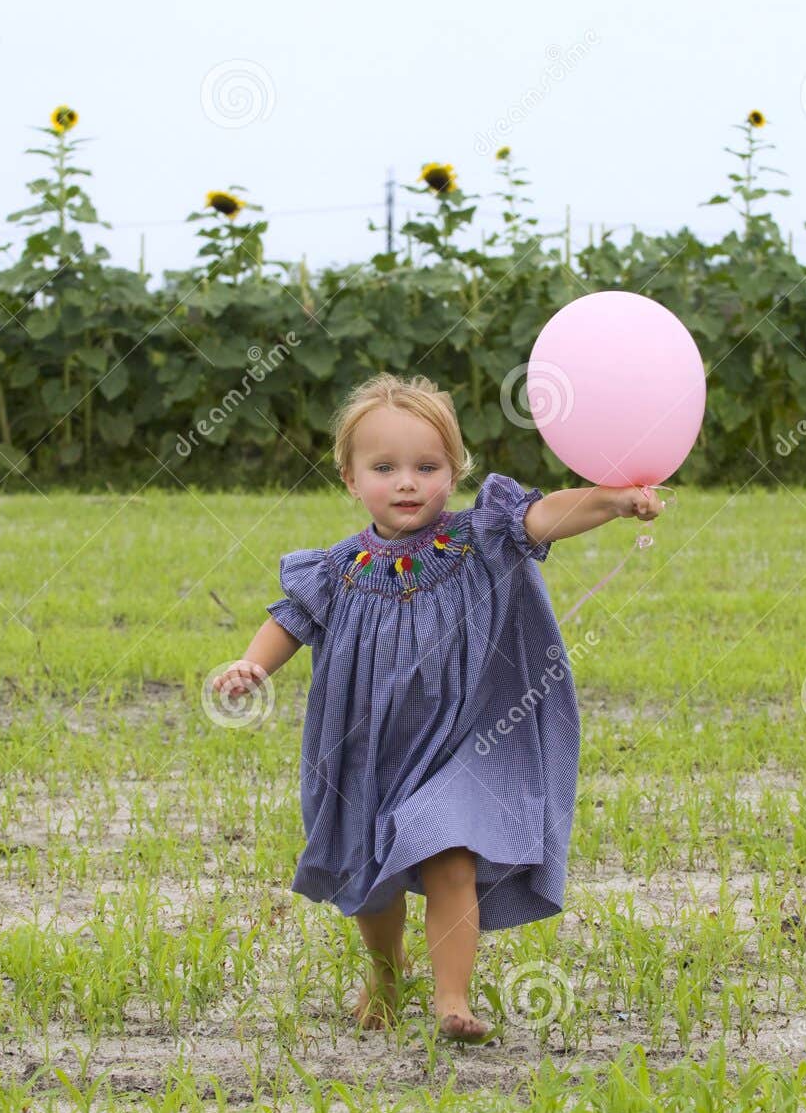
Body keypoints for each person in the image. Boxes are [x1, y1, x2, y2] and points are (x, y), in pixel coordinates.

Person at [211, 372, 664, 1044]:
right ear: (348, 477)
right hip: (367, 747)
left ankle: (452, 1000)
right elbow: (289, 622)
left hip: (465, 743)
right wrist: (251, 663)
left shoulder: (481, 537)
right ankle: (386, 974)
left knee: (451, 851)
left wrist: (612, 501)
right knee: (375, 879)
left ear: (453, 472)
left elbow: (547, 518)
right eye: (384, 467)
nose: (406, 483)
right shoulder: (335, 568)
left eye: (427, 467)